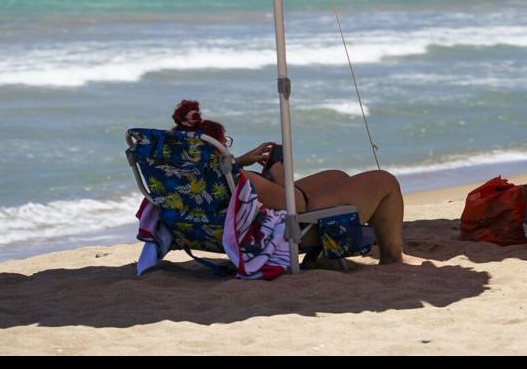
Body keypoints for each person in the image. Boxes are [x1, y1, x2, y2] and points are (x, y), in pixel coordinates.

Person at [171, 100, 415, 266]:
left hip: (226, 227)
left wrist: (241, 161)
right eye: (226, 144)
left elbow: (228, 179)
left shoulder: (188, 176)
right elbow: (296, 206)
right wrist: (279, 174)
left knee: (336, 176)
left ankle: (328, 256)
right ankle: (392, 257)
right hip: (288, 233)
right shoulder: (247, 181)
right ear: (217, 150)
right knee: (385, 181)